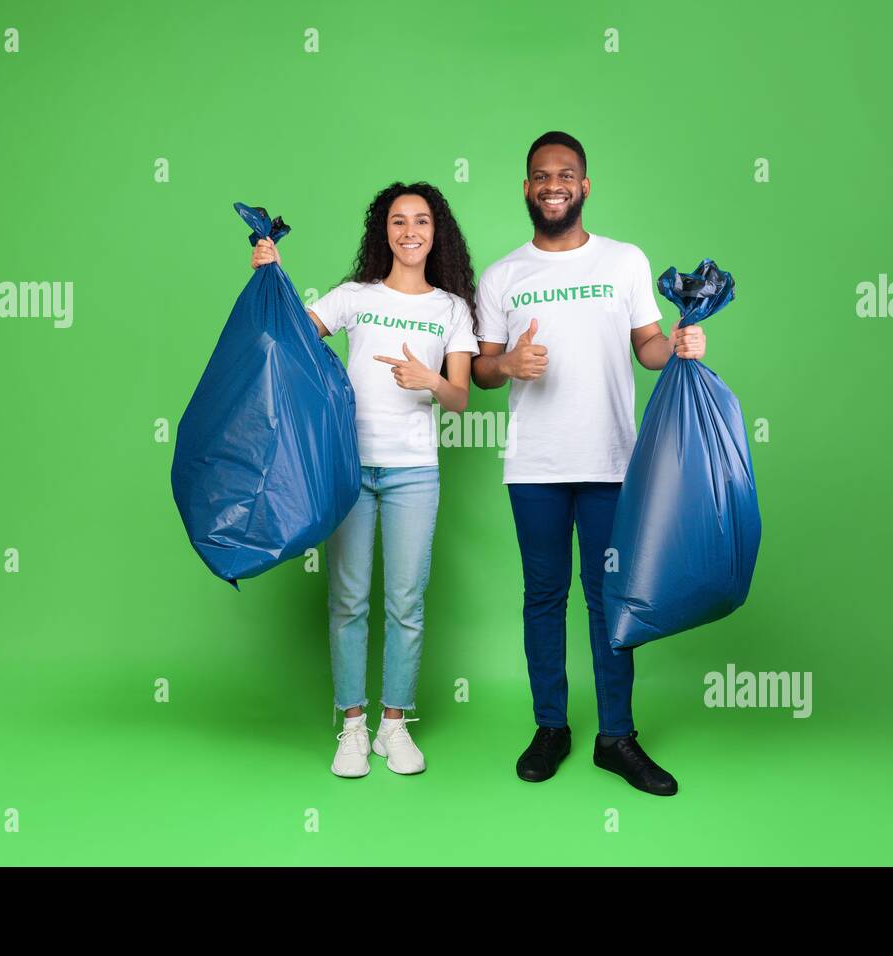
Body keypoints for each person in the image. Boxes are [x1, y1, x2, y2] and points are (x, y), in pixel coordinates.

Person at [471, 131, 707, 796]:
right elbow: (484, 371)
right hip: (535, 466)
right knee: (543, 599)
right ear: (526, 188)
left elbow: (648, 347)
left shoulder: (625, 262)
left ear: (584, 186)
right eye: (541, 176)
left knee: (609, 601)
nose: (553, 184)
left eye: (566, 174)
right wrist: (509, 364)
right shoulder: (503, 275)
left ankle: (616, 737)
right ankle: (551, 727)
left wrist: (683, 343)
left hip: (610, 462)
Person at [252, 182, 479, 779]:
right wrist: (271, 269)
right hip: (350, 470)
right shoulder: (355, 297)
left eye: (422, 221)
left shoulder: (451, 309)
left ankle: (395, 726)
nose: (410, 231)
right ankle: (353, 728)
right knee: (348, 601)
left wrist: (427, 379)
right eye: (398, 221)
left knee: (406, 602)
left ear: (437, 232)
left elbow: (458, 397)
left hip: (414, 474)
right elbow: (290, 334)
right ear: (385, 231)